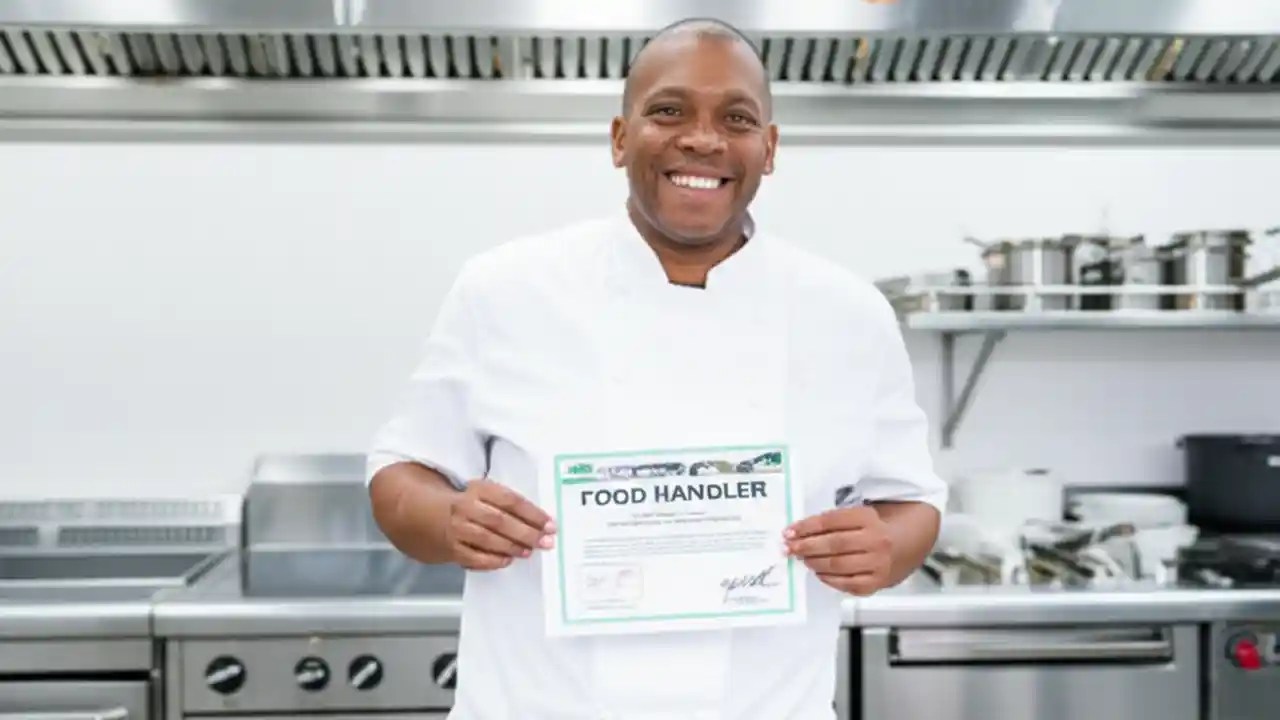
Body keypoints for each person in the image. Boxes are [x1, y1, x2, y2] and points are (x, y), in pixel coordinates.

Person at [367, 17, 945, 720]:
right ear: (619, 138)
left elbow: (912, 502)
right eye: (668, 111)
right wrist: (449, 517)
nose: (702, 138)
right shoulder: (506, 289)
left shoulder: (849, 313)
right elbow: (400, 476)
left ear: (769, 147)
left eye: (735, 118)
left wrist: (885, 546)